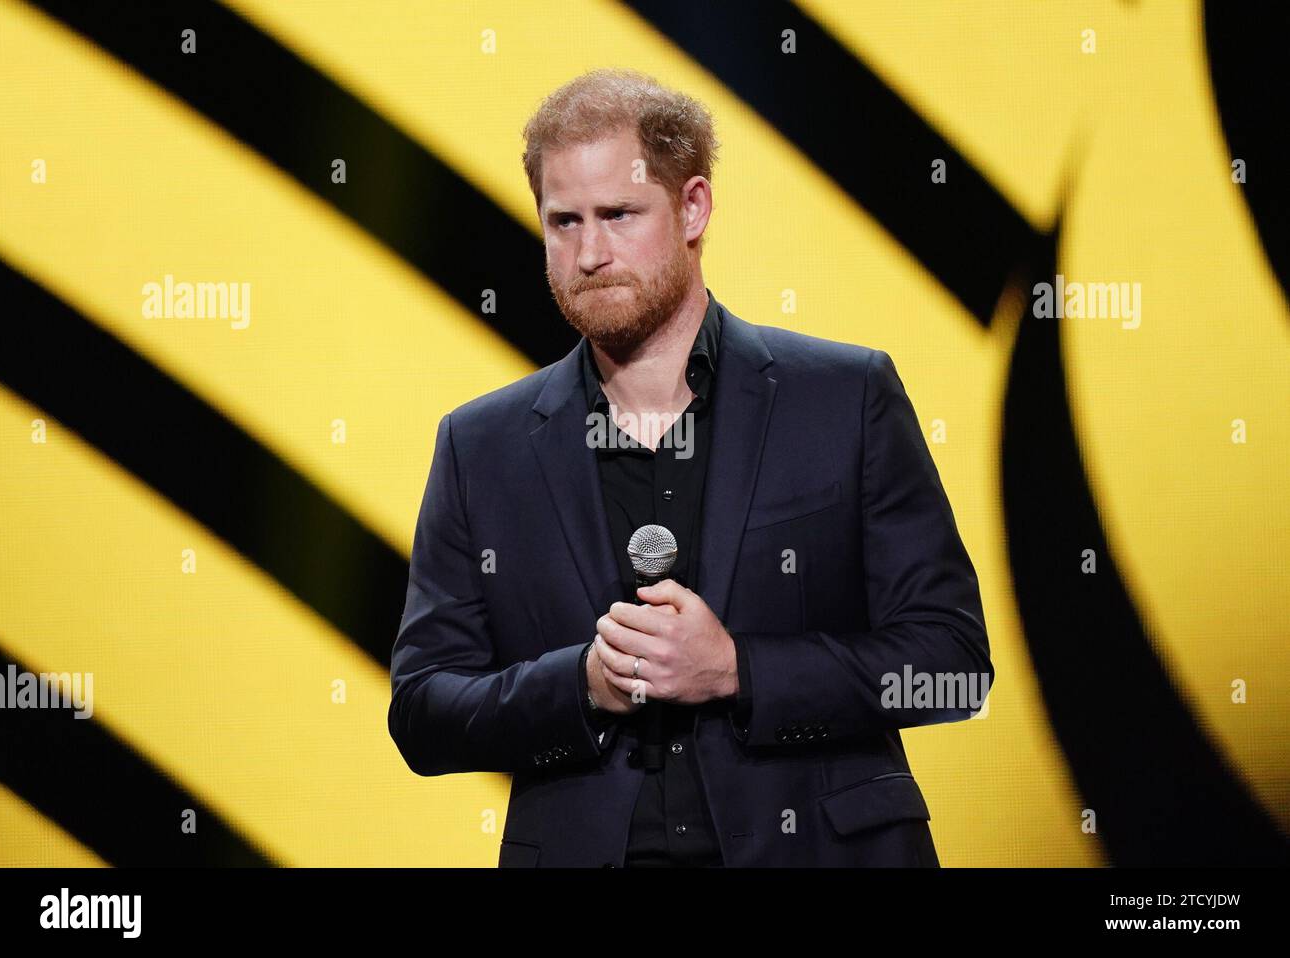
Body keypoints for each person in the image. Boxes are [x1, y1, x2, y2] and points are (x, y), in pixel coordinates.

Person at [389, 69, 992, 867]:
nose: (590, 253)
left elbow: (951, 664)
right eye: (562, 222)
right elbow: (425, 712)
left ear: (694, 207)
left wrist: (739, 671)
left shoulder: (844, 397)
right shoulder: (481, 446)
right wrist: (582, 687)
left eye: (619, 215)